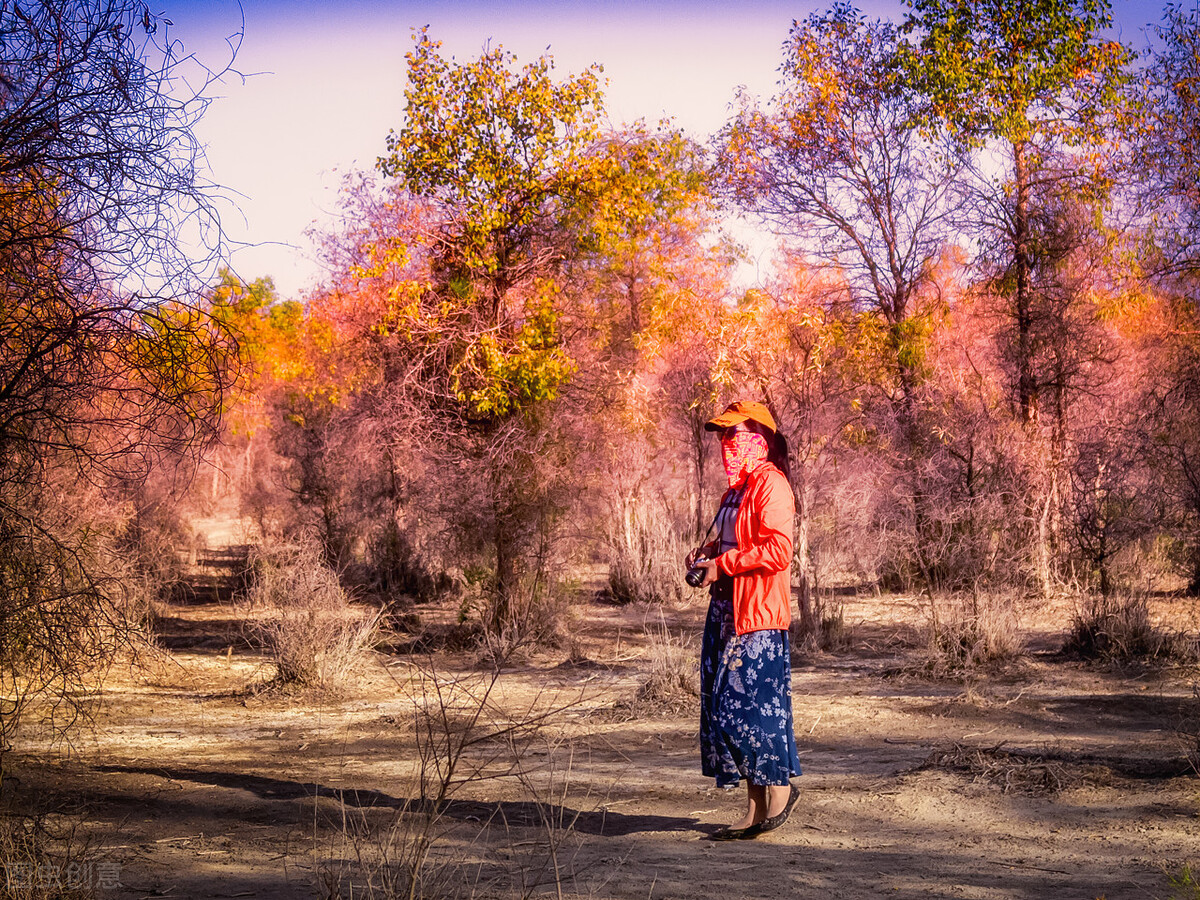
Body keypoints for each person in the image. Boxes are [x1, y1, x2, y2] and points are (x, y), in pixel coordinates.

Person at [685, 399, 802, 840]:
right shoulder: (735, 490)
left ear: (760, 439)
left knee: (748, 711)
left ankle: (780, 791)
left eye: (735, 436)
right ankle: (754, 808)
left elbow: (778, 551)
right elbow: (731, 542)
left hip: (758, 616)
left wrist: (726, 564)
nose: (727, 445)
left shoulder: (773, 485)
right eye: (723, 438)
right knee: (722, 711)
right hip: (726, 611)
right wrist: (707, 556)